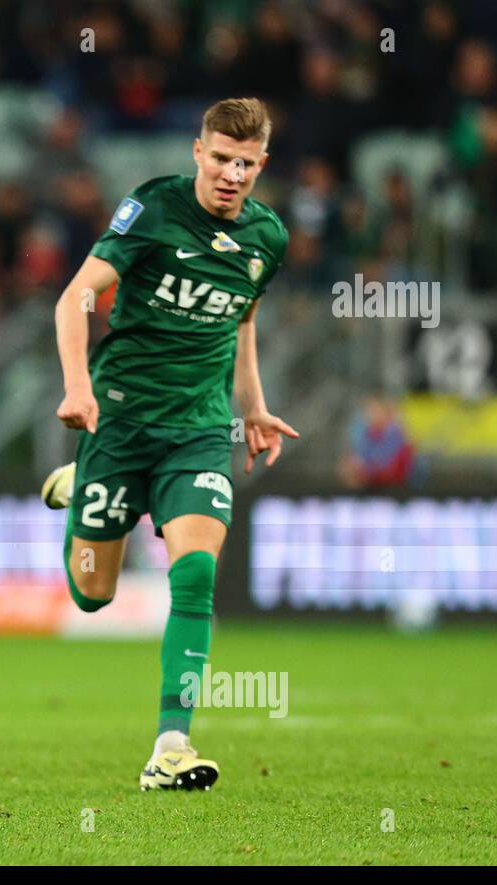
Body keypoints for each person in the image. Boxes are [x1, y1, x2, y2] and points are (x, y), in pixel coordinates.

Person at [42, 98, 297, 792]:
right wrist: (78, 388)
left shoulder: (267, 237)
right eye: (221, 159)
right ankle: (81, 490)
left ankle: (171, 744)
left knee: (195, 574)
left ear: (261, 165)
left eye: (246, 164)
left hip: (199, 429)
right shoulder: (154, 209)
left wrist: (253, 407)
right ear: (198, 153)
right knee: (93, 594)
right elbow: (75, 297)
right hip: (120, 423)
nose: (232, 174)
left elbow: (242, 323)